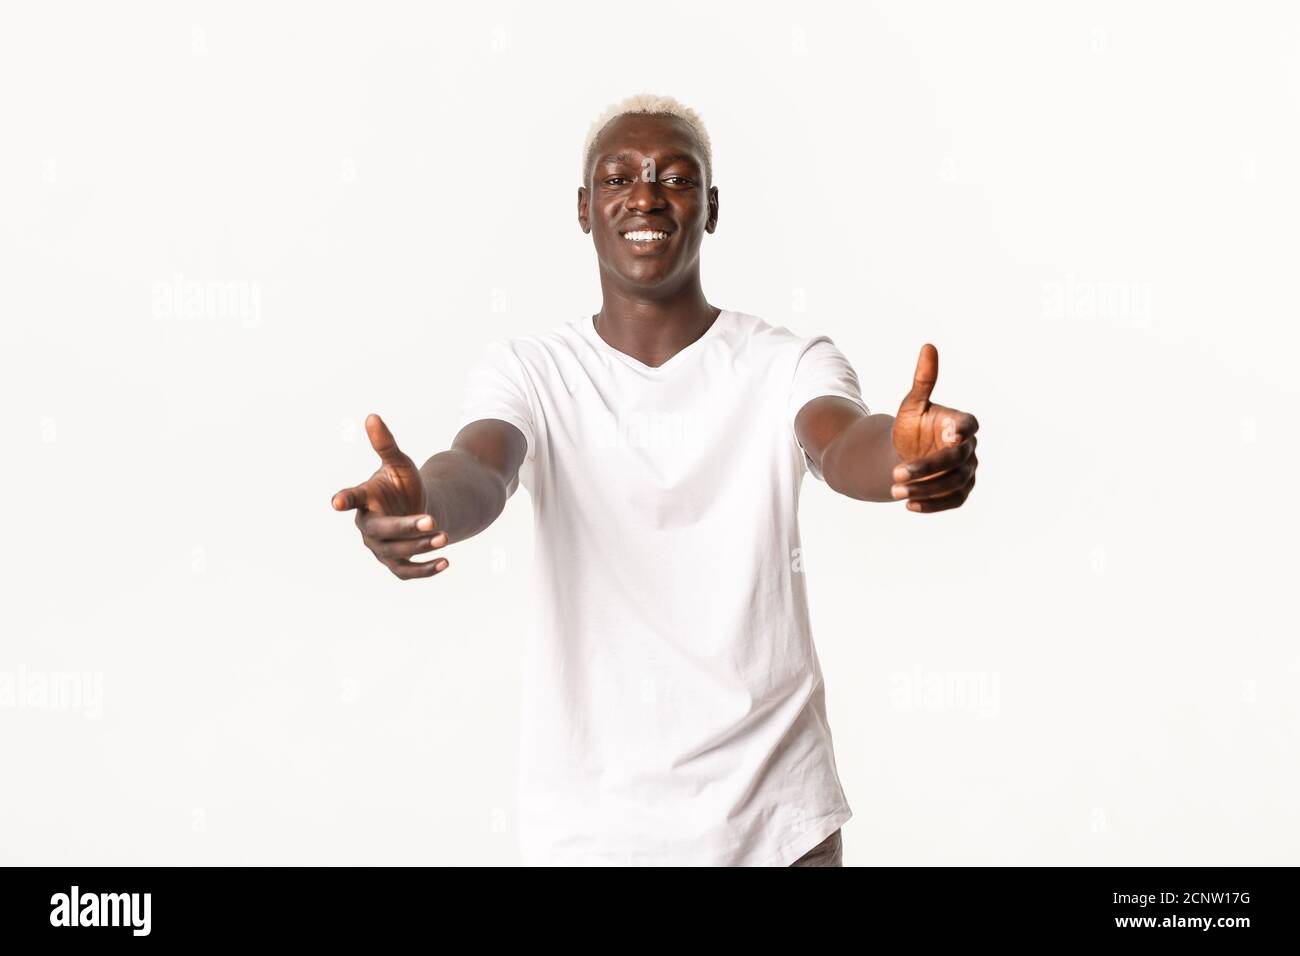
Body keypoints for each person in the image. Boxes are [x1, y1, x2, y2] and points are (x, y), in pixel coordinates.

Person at [330, 93, 980, 866]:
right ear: (583, 209)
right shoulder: (533, 372)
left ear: (710, 208)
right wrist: (425, 503)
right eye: (618, 179)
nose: (644, 195)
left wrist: (909, 459)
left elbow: (843, 445)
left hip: (775, 819)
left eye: (674, 178)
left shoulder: (787, 362)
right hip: (592, 827)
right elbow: (480, 465)